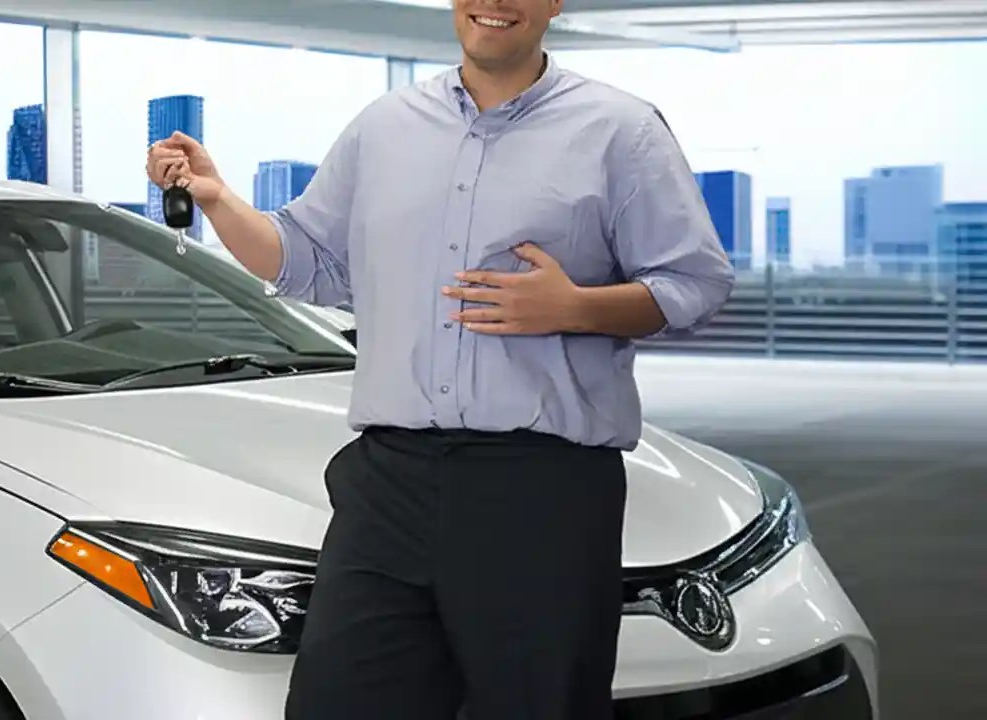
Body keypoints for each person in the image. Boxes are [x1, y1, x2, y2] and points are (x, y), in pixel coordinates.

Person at [146, 0, 735, 716]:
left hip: (540, 491)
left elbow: (695, 282)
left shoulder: (621, 130)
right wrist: (216, 199)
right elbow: (308, 260)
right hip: (388, 481)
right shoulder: (385, 127)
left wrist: (574, 307)